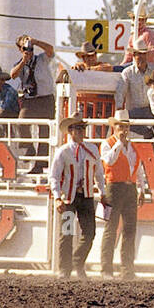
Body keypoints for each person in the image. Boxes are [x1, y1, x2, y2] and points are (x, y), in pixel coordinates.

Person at [49, 114, 105, 278]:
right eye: (78, 129)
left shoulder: (92, 149)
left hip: (86, 196)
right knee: (67, 233)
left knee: (89, 233)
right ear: (70, 131)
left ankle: (77, 262)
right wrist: (58, 197)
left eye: (83, 128)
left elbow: (99, 173)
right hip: (69, 198)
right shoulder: (63, 151)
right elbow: (54, 175)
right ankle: (65, 269)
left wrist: (102, 192)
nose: (82, 132)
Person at [99, 113, 149, 280]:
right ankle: (106, 269)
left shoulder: (133, 147)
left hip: (129, 188)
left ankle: (127, 269)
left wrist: (142, 188)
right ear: (114, 127)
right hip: (113, 187)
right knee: (111, 229)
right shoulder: (107, 144)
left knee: (129, 229)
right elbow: (109, 161)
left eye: (125, 126)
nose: (123, 130)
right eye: (120, 126)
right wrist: (119, 143)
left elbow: (139, 168)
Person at [9, 34, 57, 172]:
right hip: (30, 100)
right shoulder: (19, 63)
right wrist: (24, 61)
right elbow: (13, 75)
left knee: (44, 132)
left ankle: (40, 165)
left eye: (29, 47)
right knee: (22, 122)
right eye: (25, 47)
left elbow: (50, 50)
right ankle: (28, 147)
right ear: (20, 49)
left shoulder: (42, 59)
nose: (28, 50)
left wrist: (35, 41)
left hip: (46, 98)